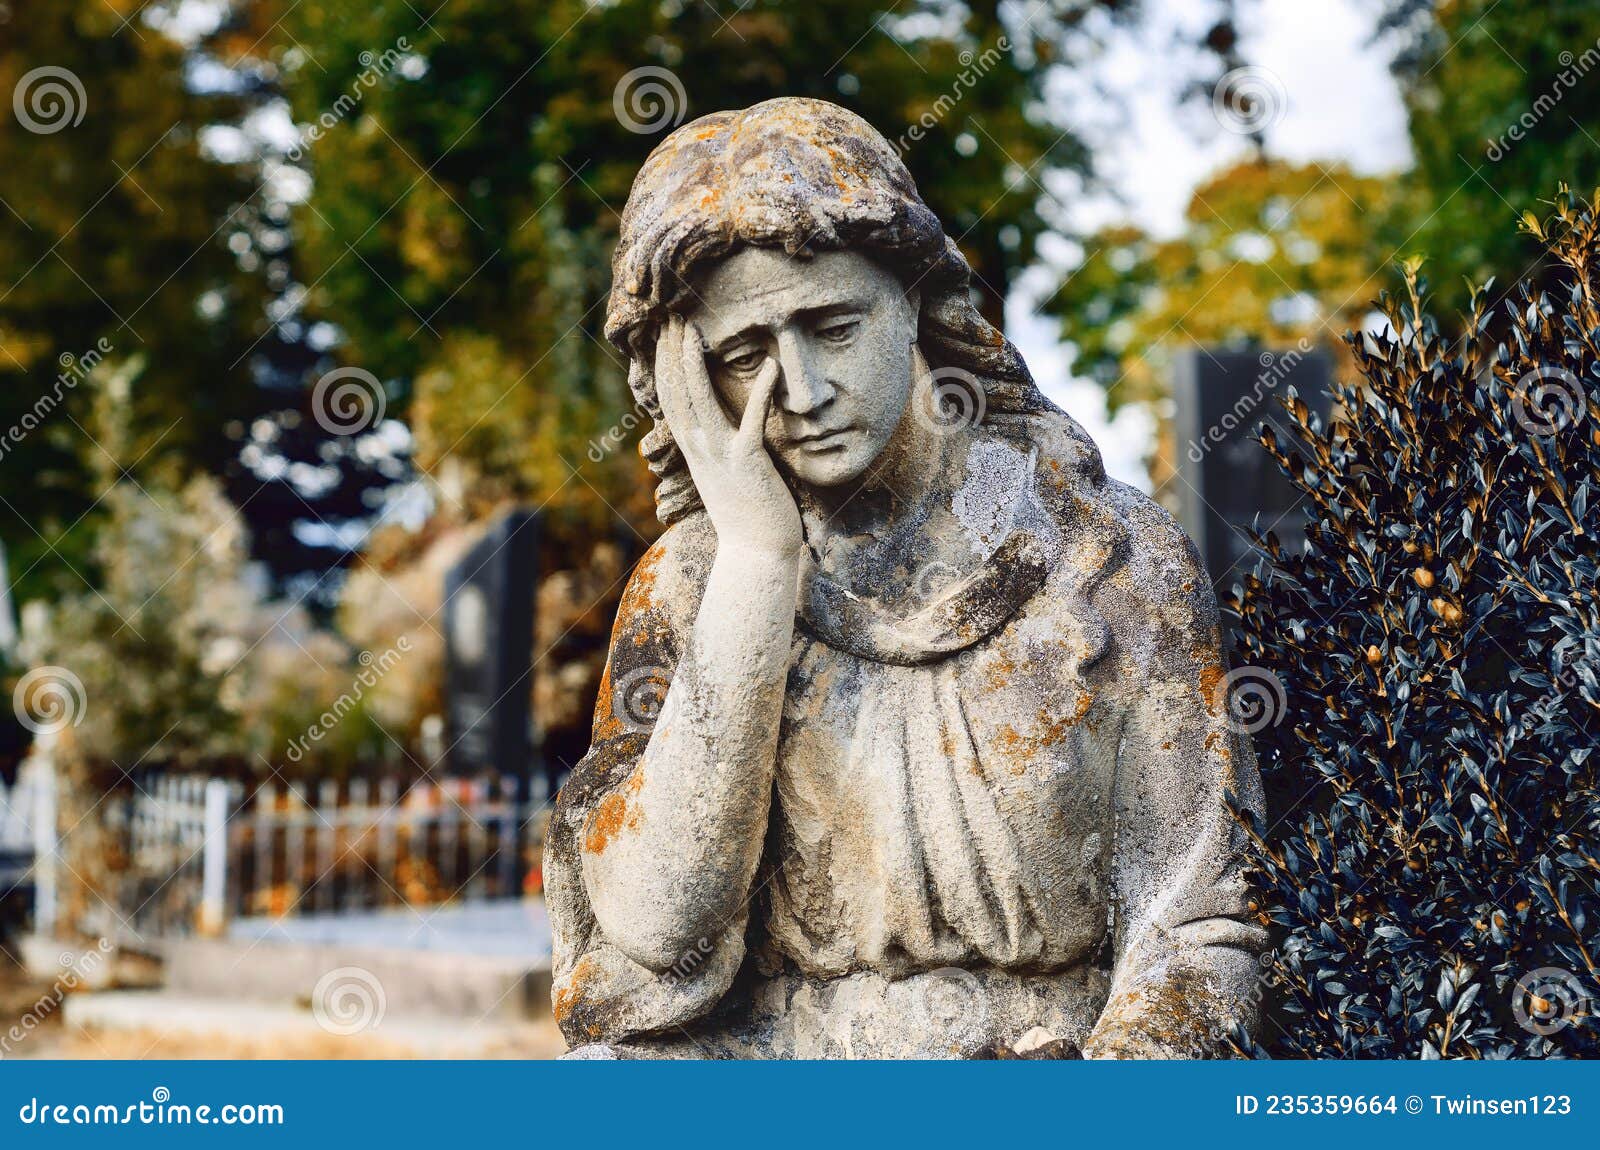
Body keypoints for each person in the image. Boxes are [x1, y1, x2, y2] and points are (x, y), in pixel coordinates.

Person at [545, 98, 1266, 1058]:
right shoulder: (691, 590)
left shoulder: (1106, 557)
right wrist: (758, 562)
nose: (799, 394)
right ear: (684, 378)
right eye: (743, 355)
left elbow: (1197, 926)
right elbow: (655, 937)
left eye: (833, 326)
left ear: (915, 302)